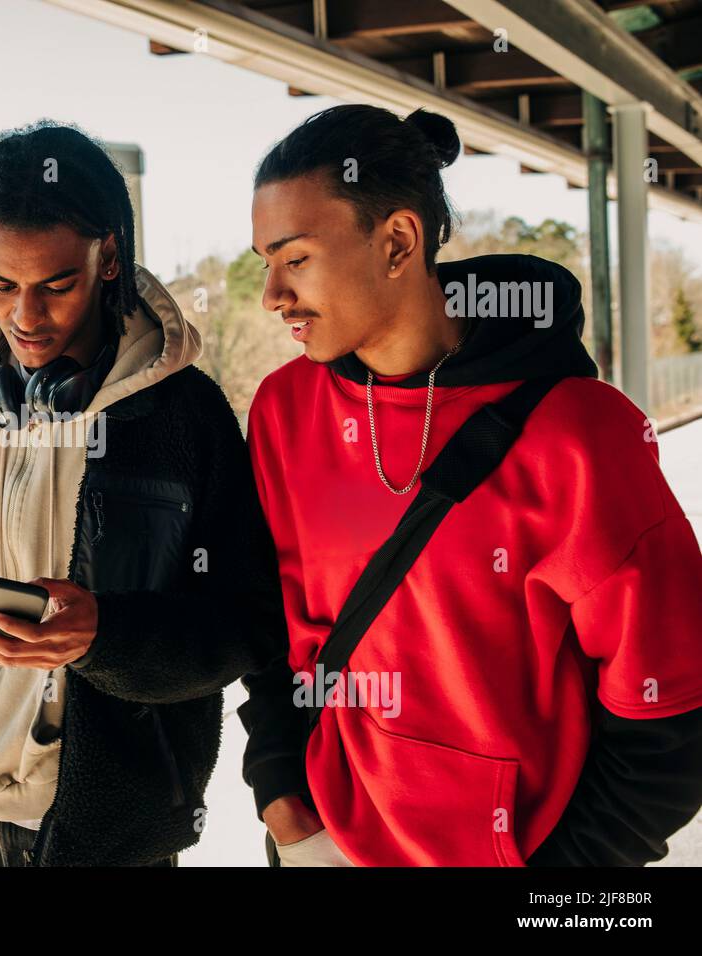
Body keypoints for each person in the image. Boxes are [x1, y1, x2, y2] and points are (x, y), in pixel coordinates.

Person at [239, 103, 702, 866]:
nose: (272, 295)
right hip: (324, 839)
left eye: (296, 259)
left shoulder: (581, 435)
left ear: (397, 242)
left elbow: (672, 711)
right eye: (265, 262)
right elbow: (266, 614)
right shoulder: (285, 410)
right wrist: (280, 787)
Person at [0, 121, 289, 866]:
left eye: (57, 285)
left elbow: (247, 629)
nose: (26, 317)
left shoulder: (187, 416)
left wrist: (105, 638)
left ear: (109, 258)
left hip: (114, 829)